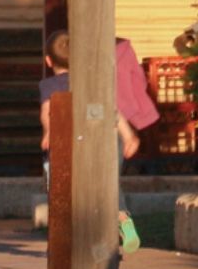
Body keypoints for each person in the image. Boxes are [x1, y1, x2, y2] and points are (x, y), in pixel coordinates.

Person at [38, 30, 143, 254]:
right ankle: (123, 220)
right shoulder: (91, 82)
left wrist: (48, 132)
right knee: (108, 184)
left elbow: (47, 111)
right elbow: (112, 110)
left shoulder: (49, 86)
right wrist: (128, 135)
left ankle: (65, 239)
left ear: (48, 61)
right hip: (104, 142)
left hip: (69, 146)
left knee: (61, 189)